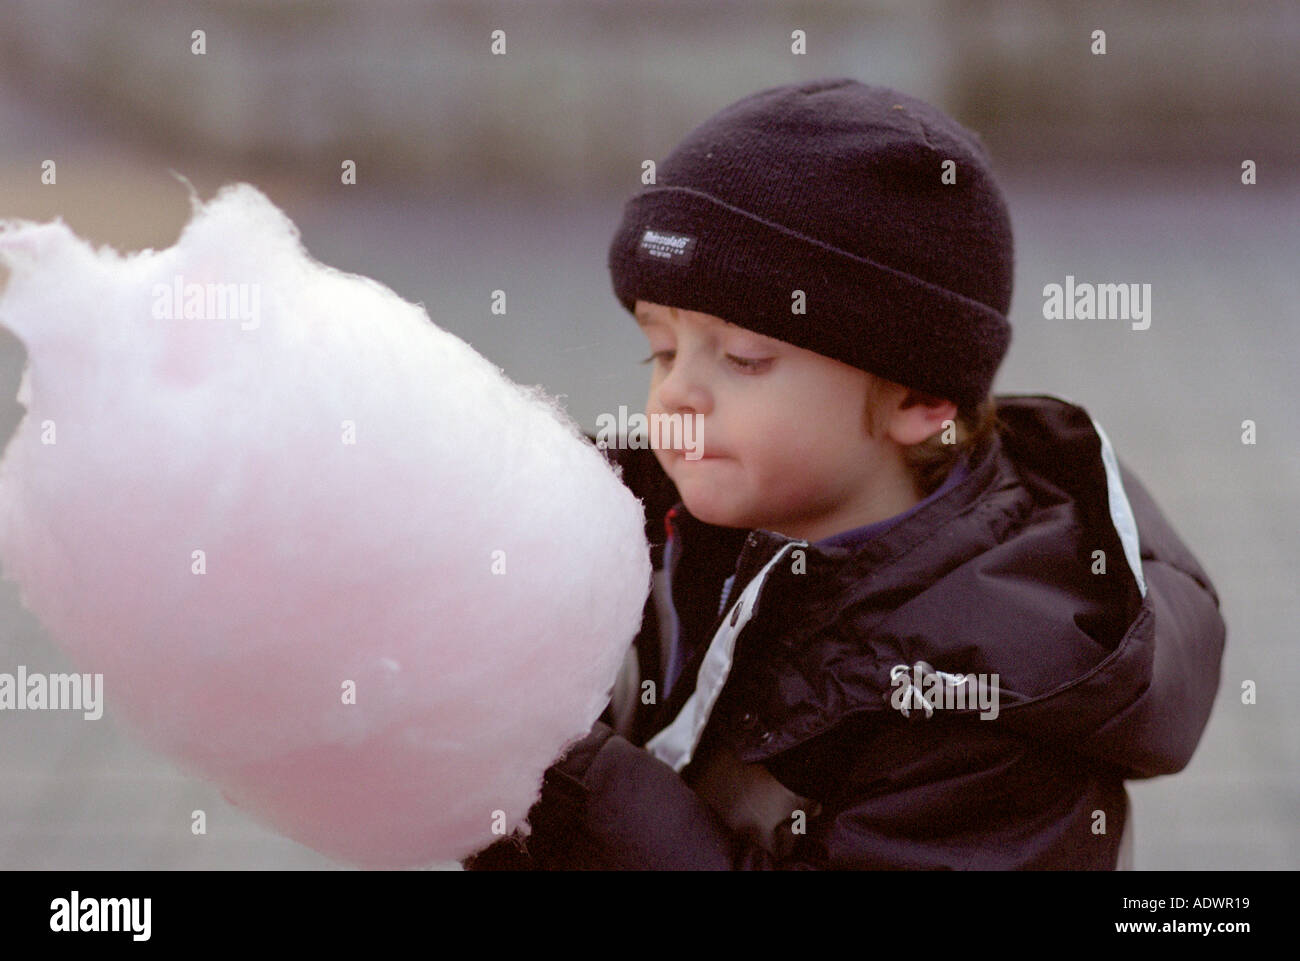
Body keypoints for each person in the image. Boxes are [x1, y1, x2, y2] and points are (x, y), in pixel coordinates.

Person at [463, 77, 1226, 870]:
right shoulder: (669, 534)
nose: (679, 392)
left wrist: (583, 796)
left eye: (745, 359)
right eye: (660, 348)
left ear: (919, 397)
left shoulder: (987, 702)